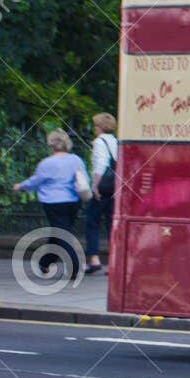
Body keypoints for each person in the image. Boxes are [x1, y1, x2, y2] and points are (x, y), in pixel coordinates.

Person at [13, 129, 91, 281]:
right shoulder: (76, 160)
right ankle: (45, 261)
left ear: (51, 144)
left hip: (53, 203)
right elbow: (84, 179)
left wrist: (20, 186)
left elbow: (35, 181)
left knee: (62, 234)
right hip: (73, 202)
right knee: (60, 231)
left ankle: (74, 267)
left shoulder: (46, 163)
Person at [84, 113, 117, 276]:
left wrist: (95, 187)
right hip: (114, 188)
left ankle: (94, 259)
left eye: (95, 126)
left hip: (103, 188)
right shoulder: (116, 141)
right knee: (112, 225)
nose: (94, 129)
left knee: (92, 221)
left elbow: (100, 165)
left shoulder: (99, 142)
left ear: (100, 127)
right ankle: (113, 263)